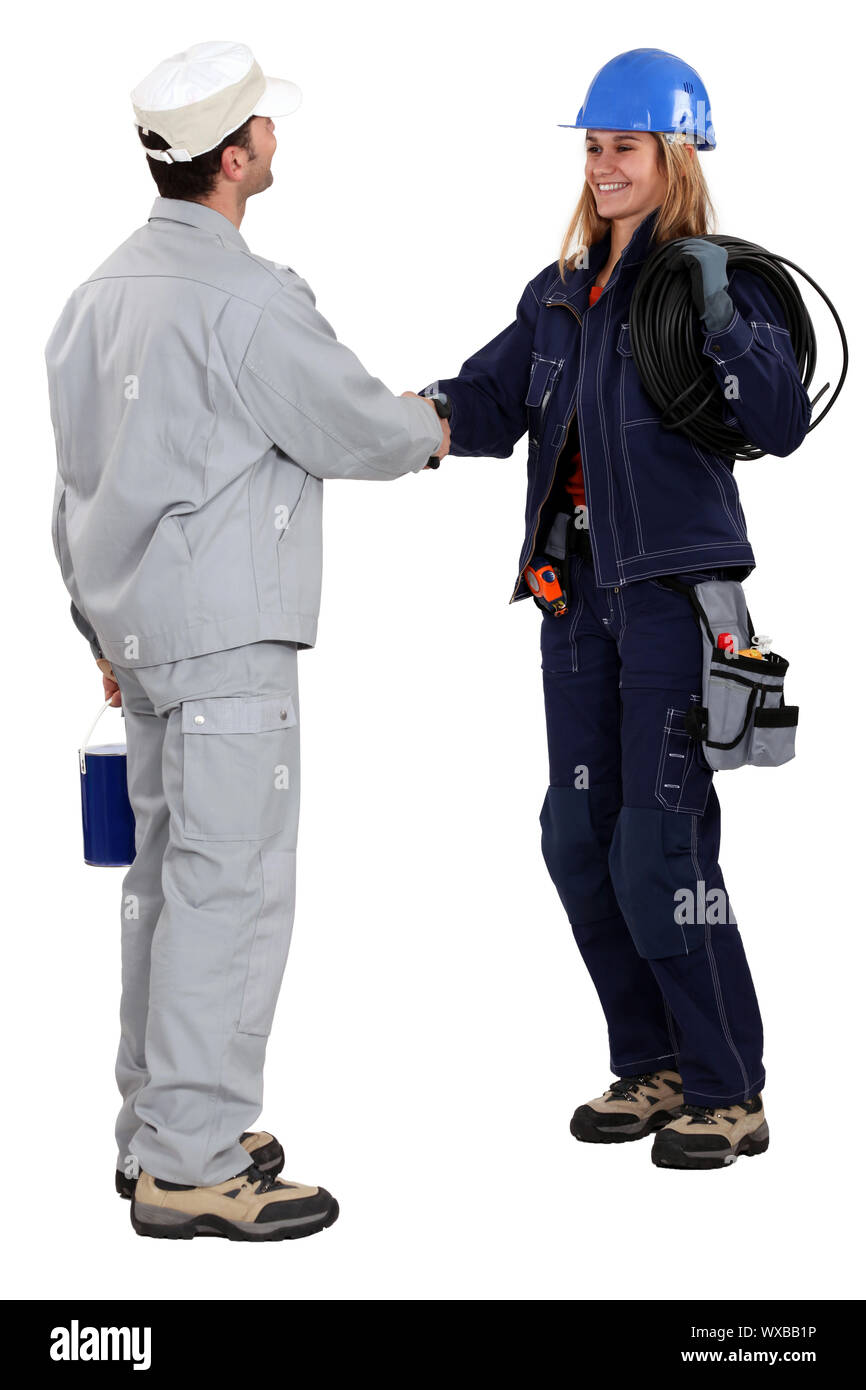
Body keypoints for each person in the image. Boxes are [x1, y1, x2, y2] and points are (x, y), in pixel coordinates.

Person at [45, 39, 450, 1240]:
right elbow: (354, 426)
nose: (274, 135)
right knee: (229, 890)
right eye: (262, 125)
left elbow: (74, 488)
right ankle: (193, 1163)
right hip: (225, 642)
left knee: (165, 886)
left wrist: (98, 625)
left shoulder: (93, 299)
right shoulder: (246, 299)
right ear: (232, 159)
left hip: (136, 640)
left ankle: (155, 1132)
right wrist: (433, 425)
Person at [412, 48, 810, 1170]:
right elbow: (487, 402)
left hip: (673, 601)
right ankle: (653, 1062)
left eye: (623, 147)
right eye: (592, 147)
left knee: (659, 846)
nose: (601, 166)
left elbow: (777, 421)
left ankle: (729, 1087)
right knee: (577, 838)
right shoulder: (558, 294)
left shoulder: (712, 281)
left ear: (673, 155)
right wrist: (395, 418)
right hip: (574, 598)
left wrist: (724, 316)